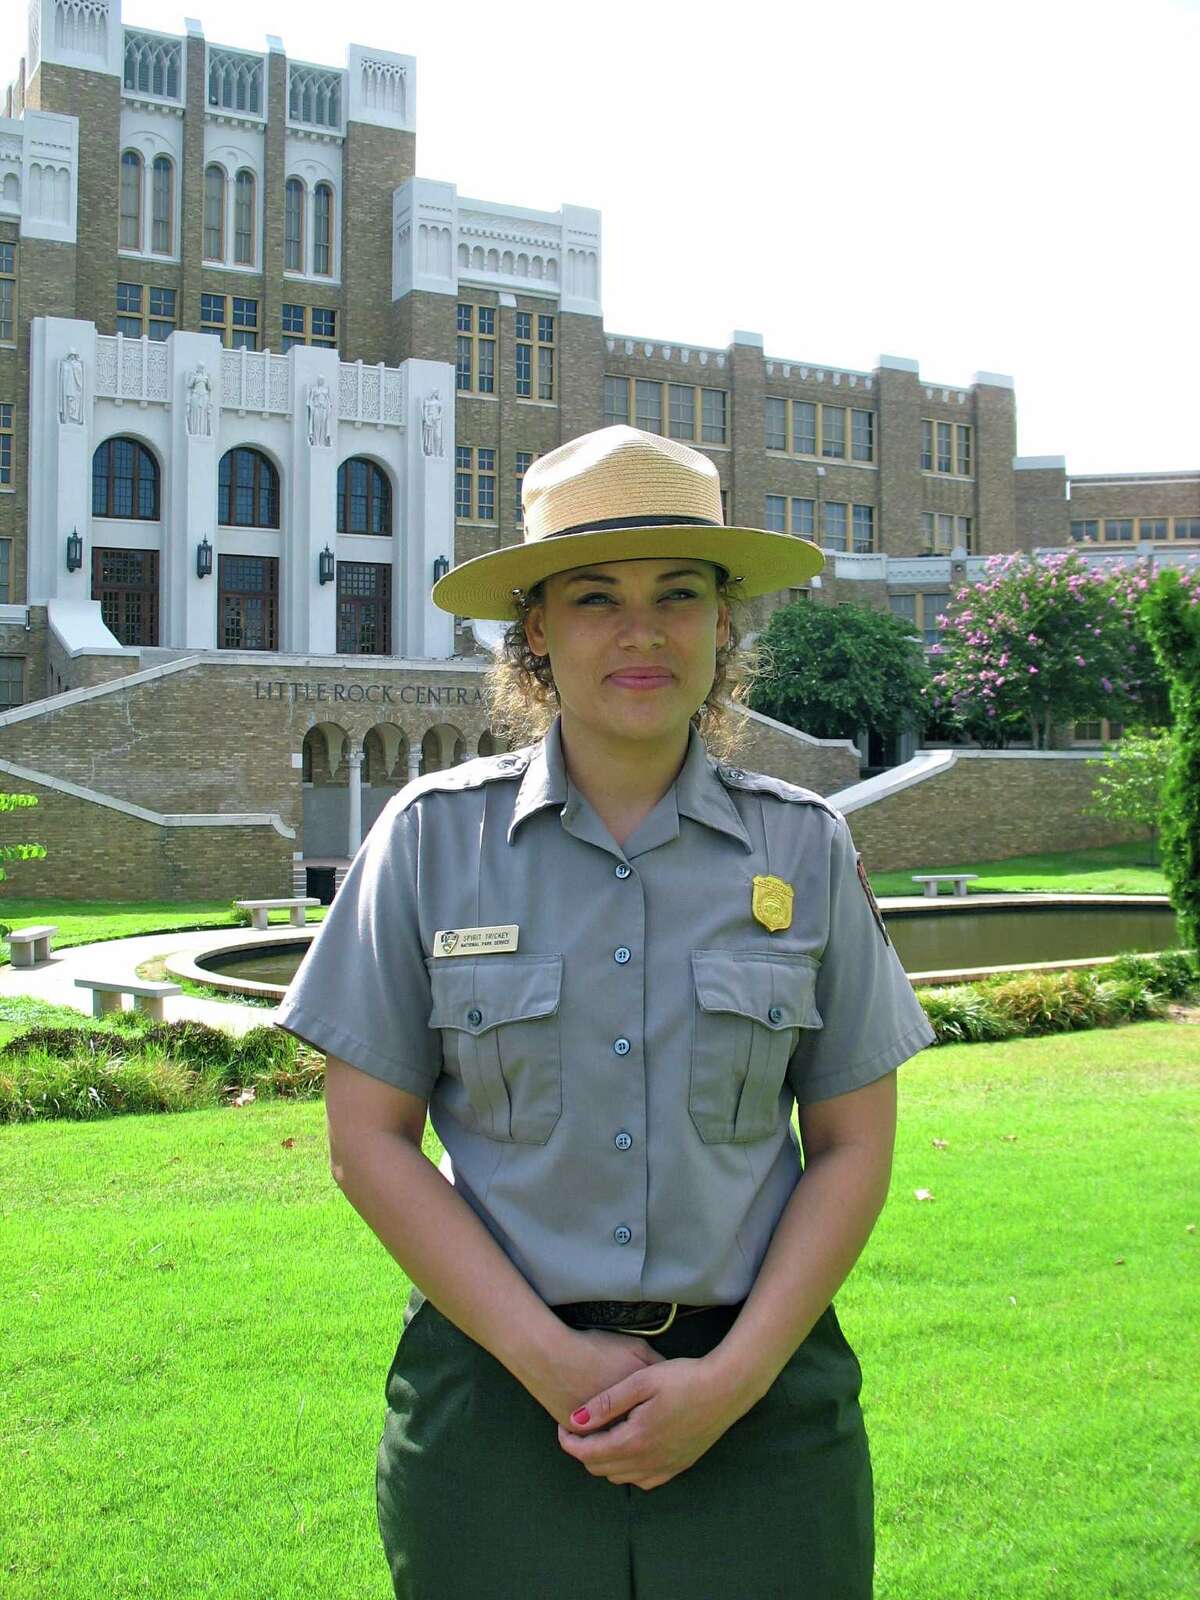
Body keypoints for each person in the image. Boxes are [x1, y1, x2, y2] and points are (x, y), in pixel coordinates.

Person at [275, 425, 936, 1599]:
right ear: (535, 627)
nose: (642, 631)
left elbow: (850, 1148)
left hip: (764, 1407)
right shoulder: (429, 844)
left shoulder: (806, 849)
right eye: (595, 597)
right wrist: (551, 1361)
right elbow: (366, 1140)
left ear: (725, 622)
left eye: (680, 594)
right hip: (496, 1407)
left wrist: (728, 1382)